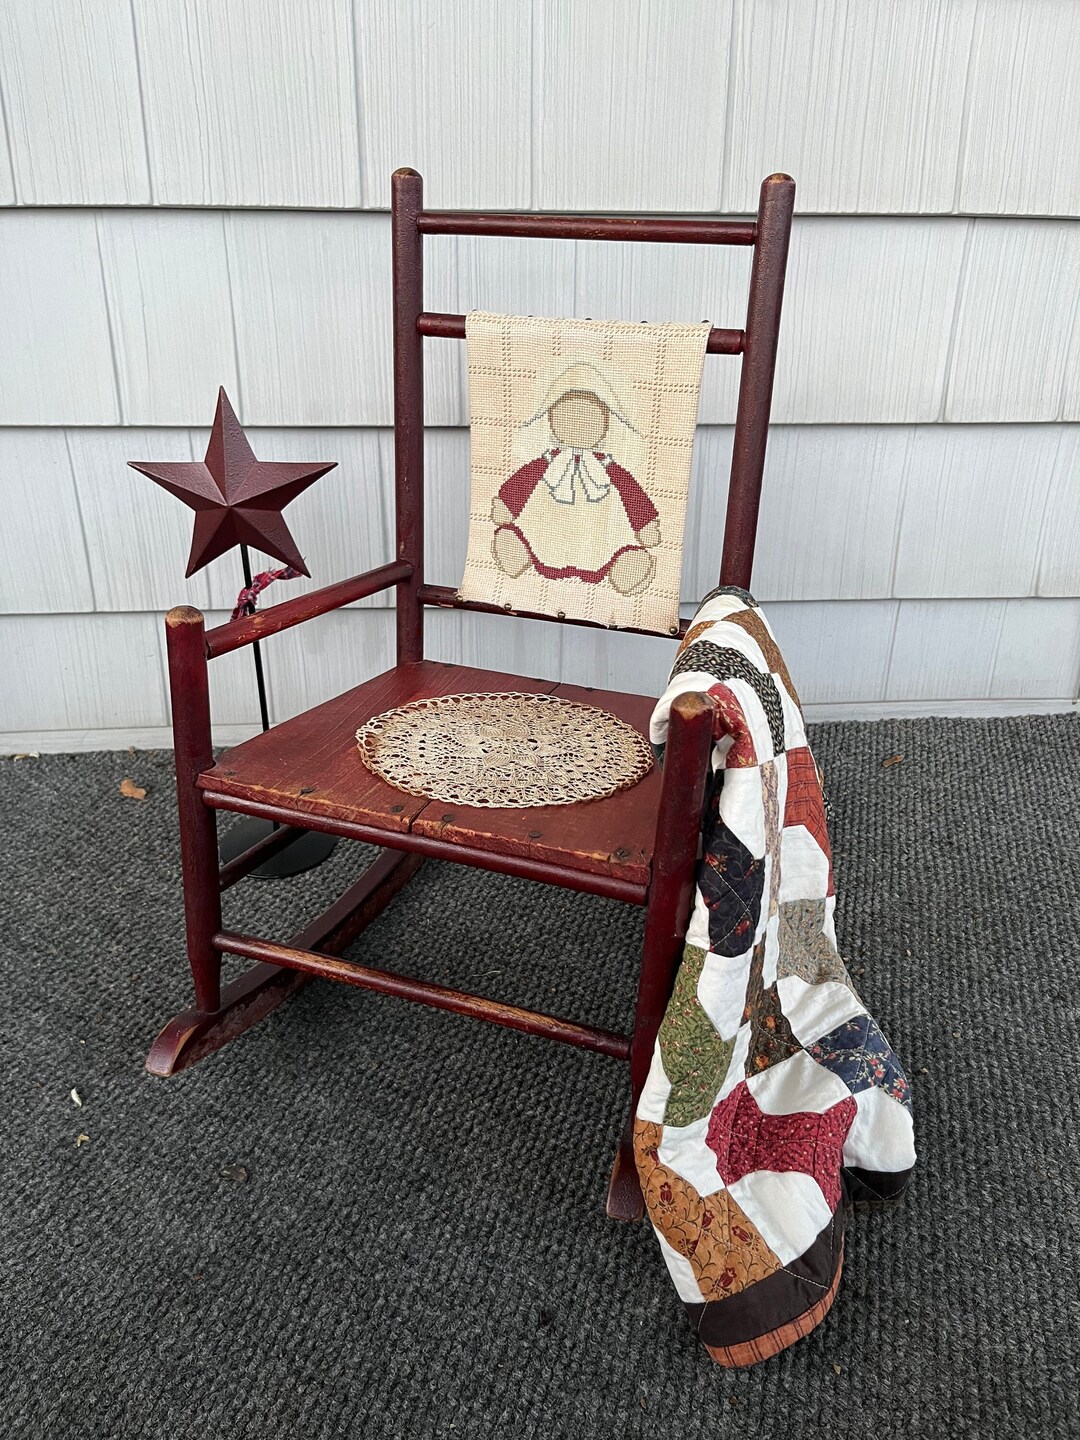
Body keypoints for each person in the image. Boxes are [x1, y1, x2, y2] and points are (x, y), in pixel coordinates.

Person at [490, 362, 660, 596]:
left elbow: (631, 493)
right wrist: (507, 504)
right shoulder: (548, 462)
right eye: (566, 414)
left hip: (599, 533)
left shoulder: (608, 467)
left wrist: (644, 523)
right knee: (538, 536)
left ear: (606, 422)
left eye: (590, 417)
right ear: (550, 418)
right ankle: (518, 551)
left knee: (608, 545)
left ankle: (625, 566)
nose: (577, 423)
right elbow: (524, 480)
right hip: (549, 525)